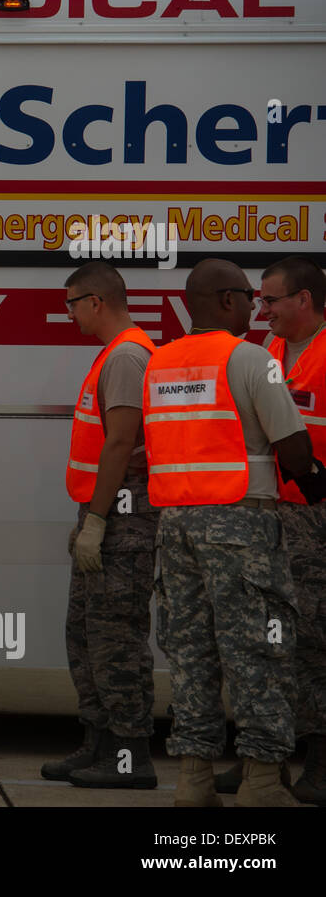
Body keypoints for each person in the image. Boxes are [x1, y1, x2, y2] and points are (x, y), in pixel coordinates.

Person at [144, 256, 323, 807]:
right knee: (258, 652)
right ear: (227, 301)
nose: (257, 307)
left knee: (192, 653)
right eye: (250, 296)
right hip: (241, 523)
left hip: (175, 527)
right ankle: (262, 782)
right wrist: (313, 481)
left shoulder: (160, 363)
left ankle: (194, 779)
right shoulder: (249, 359)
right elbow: (293, 447)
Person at [41, 261, 160, 789]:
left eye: (71, 303)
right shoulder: (115, 355)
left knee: (116, 637)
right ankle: (98, 742)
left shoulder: (129, 355)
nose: (67, 314)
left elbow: (120, 442)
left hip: (123, 514)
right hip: (107, 510)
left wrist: (96, 519)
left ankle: (130, 756)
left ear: (96, 302)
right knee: (85, 633)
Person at [246, 255, 326, 804]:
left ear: (304, 299)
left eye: (271, 299)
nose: (262, 309)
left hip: (316, 518)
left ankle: (320, 761)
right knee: (270, 640)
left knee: (315, 640)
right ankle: (265, 764)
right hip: (271, 516)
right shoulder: (269, 353)